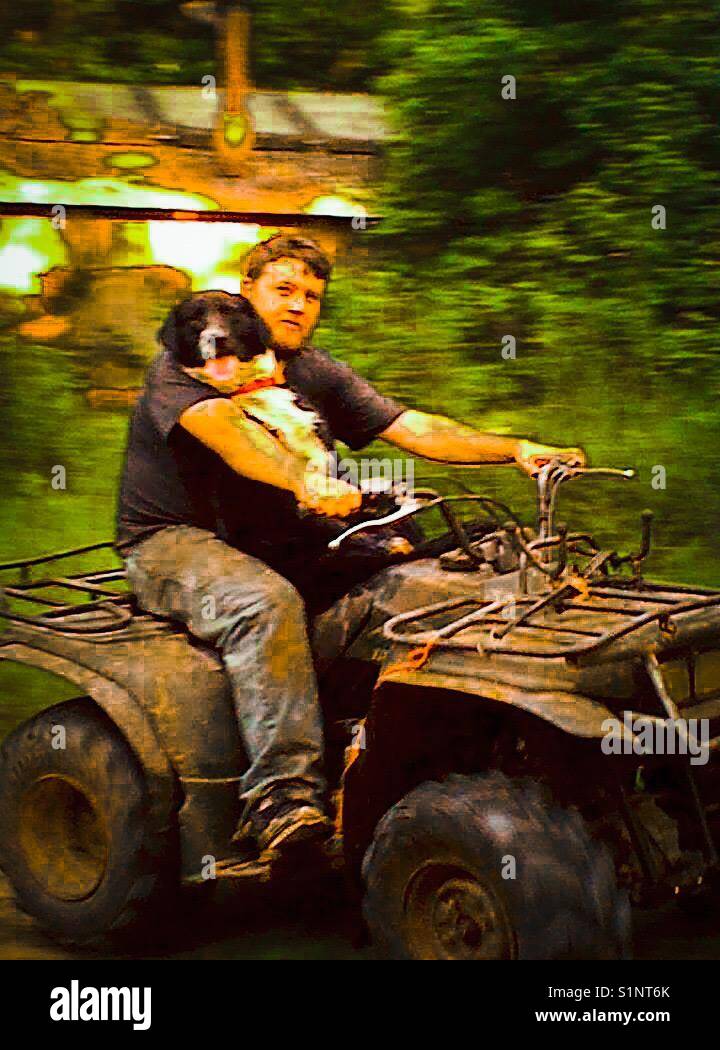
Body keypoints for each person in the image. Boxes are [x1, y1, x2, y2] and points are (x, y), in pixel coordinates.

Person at [116, 233, 585, 856]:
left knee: (429, 570)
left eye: (311, 296)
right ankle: (283, 801)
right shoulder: (197, 355)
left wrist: (517, 448)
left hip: (275, 534)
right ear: (246, 288)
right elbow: (230, 434)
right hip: (175, 538)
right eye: (283, 290)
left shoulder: (311, 368)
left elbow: (410, 426)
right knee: (265, 604)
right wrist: (305, 480)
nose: (298, 306)